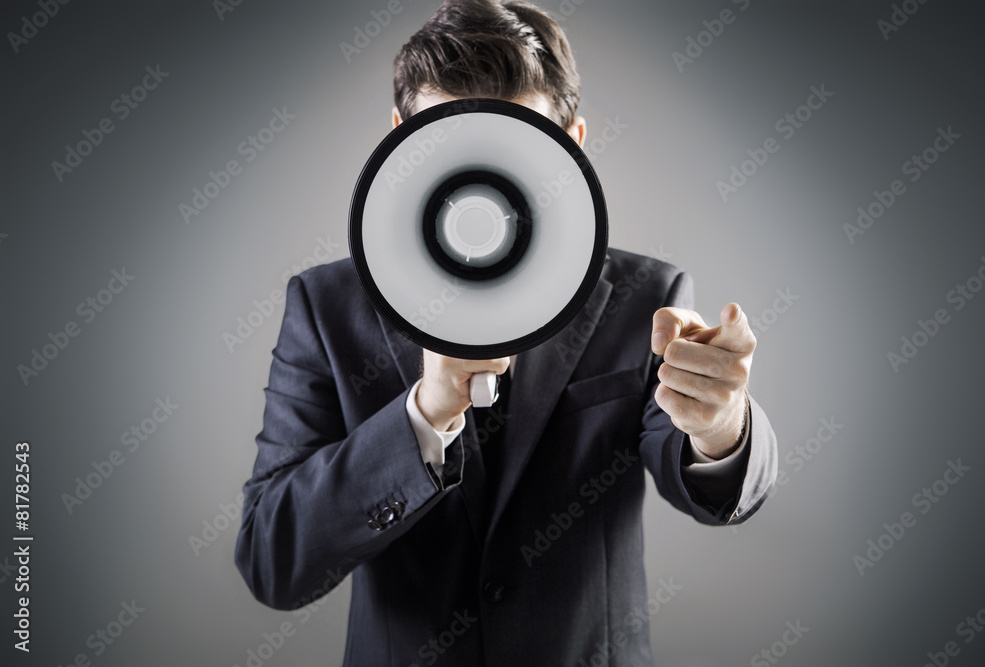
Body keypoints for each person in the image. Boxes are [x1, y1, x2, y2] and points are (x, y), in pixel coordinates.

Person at [235, 1, 778, 664]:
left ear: (573, 144)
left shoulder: (646, 301)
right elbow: (272, 558)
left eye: (517, 148)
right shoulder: (326, 306)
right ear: (399, 139)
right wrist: (423, 416)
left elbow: (710, 482)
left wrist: (720, 426)